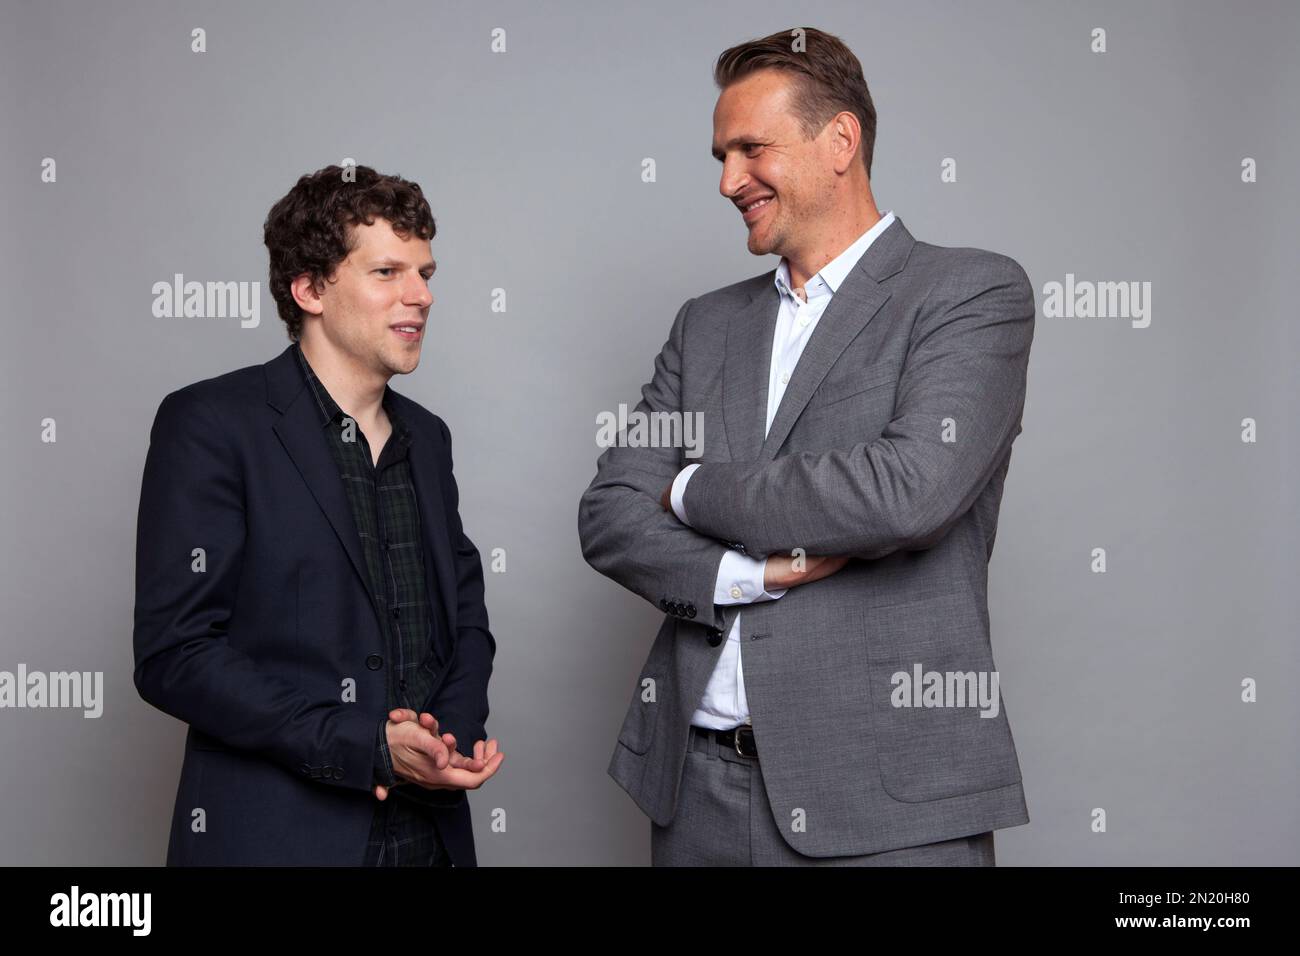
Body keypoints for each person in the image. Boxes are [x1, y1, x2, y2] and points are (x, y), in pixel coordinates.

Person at [578, 28, 1034, 865]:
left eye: (752, 149)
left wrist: (686, 491)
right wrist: (744, 572)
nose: (727, 181)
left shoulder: (970, 293)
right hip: (695, 795)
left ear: (840, 140)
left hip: (888, 808)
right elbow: (608, 513)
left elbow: (909, 489)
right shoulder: (706, 323)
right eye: (720, 155)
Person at [133, 164, 503, 866]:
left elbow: (467, 622)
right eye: (388, 272)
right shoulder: (210, 424)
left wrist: (444, 737)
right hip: (276, 840)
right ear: (310, 290)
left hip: (430, 836)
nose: (421, 296)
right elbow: (174, 656)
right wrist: (362, 745)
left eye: (425, 273)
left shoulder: (428, 437)